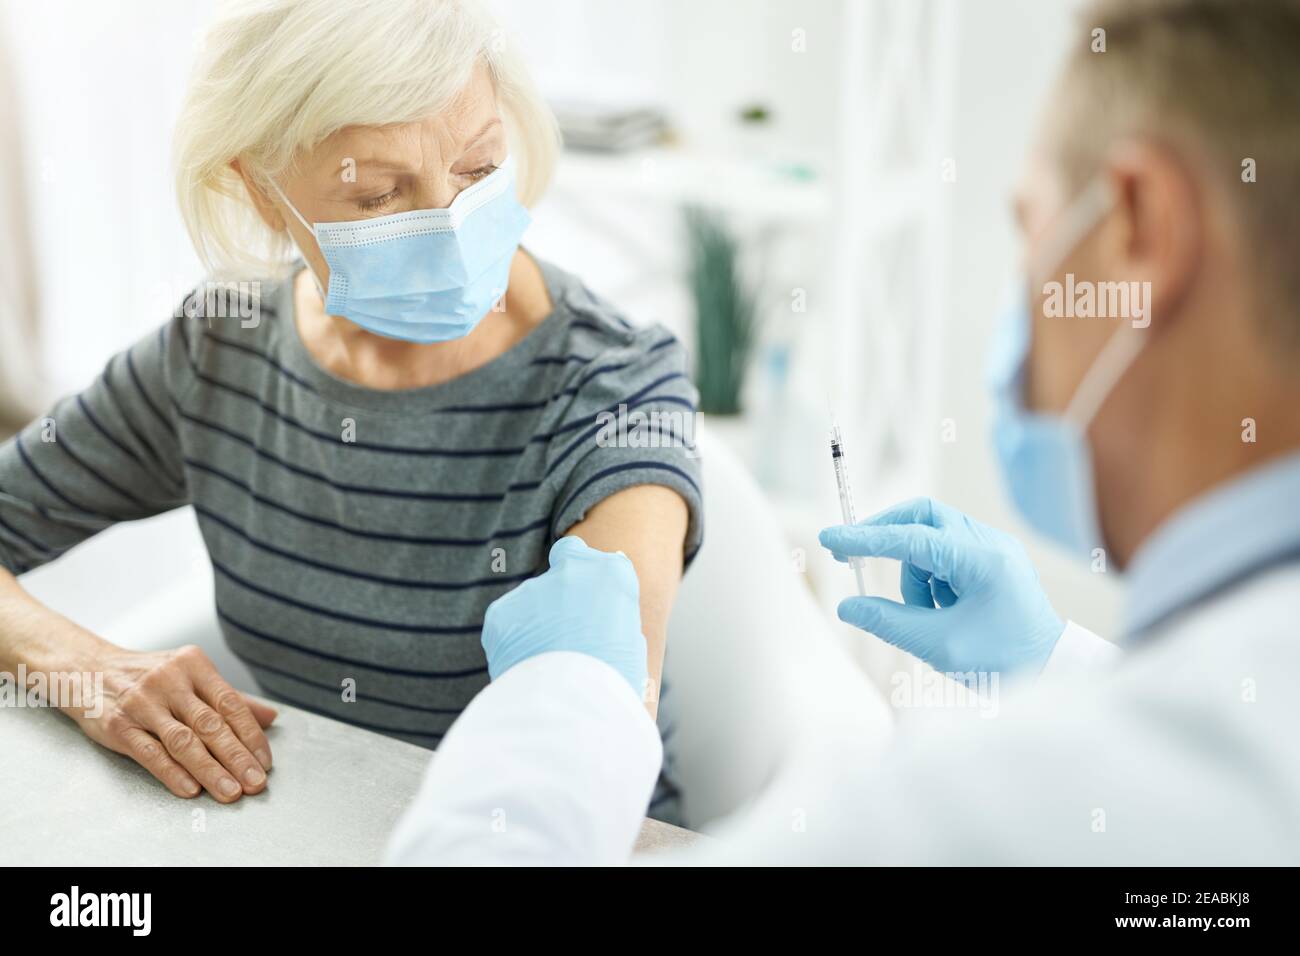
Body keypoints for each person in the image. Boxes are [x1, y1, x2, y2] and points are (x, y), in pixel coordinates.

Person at [385, 0, 1300, 865]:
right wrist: (1054, 660)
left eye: (1033, 232)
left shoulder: (984, 814)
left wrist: (568, 702)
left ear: (1142, 229)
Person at [0, 0, 701, 819]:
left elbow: (589, 712)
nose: (448, 223)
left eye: (478, 169)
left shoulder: (618, 384)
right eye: (377, 194)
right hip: (318, 825)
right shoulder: (220, 347)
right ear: (262, 194)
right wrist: (80, 664)